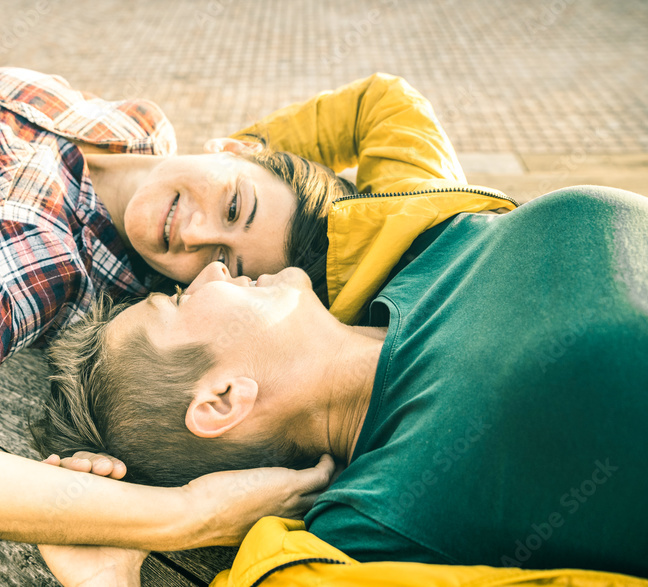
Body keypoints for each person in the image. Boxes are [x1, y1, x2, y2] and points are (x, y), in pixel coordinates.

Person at [0, 0, 513, 558]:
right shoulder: (141, 129)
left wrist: (179, 517)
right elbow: (380, 103)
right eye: (232, 201)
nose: (194, 233)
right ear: (242, 150)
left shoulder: (35, 258)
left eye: (222, 266)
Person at [32, 186, 648, 582]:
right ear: (223, 399)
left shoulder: (407, 260)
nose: (212, 269)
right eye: (179, 299)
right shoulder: (373, 525)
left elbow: (381, 102)